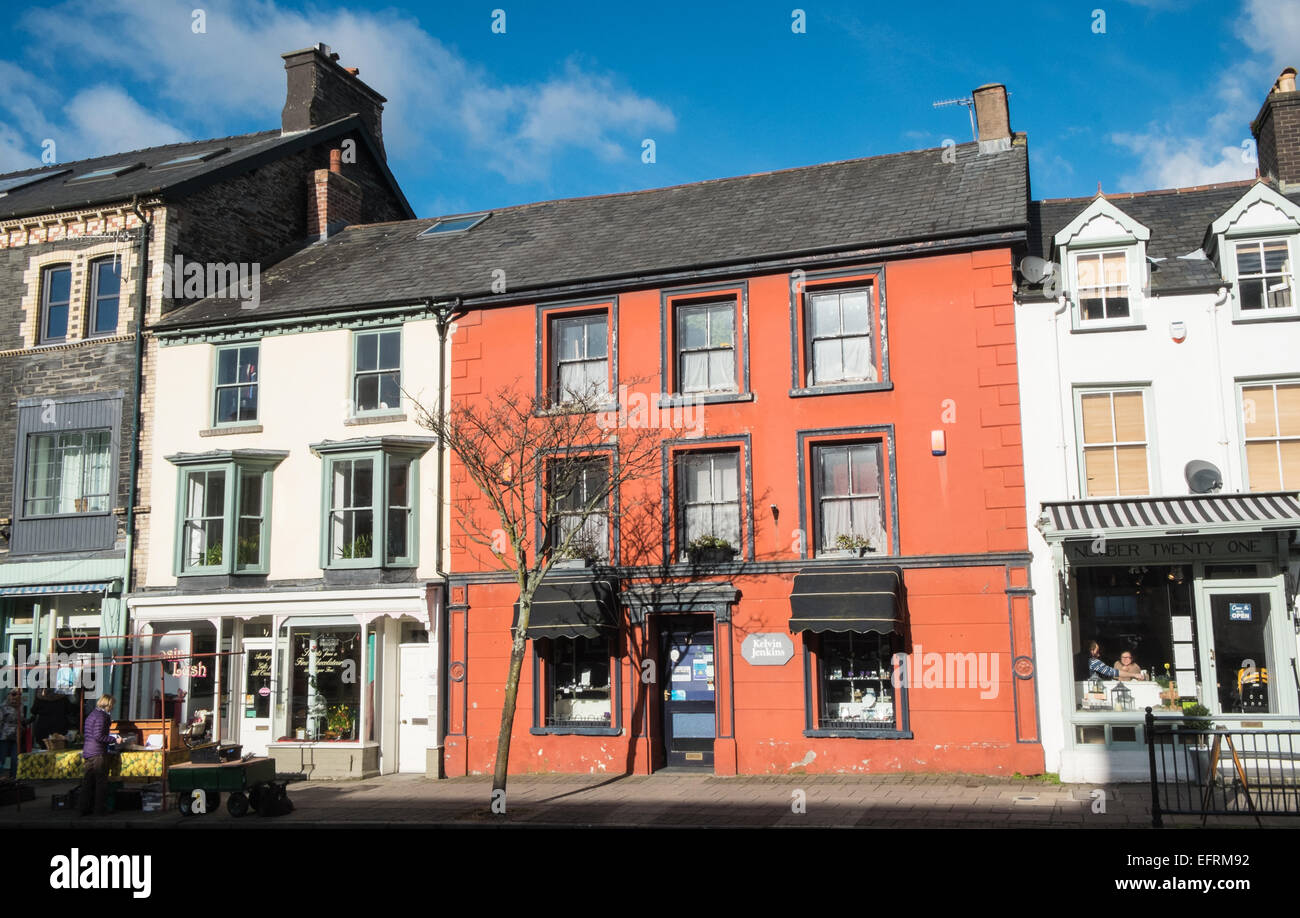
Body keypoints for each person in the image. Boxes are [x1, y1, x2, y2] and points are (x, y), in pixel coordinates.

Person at [79, 694, 114, 816]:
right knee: (100, 783)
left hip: (88, 751)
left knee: (87, 782)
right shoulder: (101, 717)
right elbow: (99, 736)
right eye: (112, 705)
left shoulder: (92, 714)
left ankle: (83, 809)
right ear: (108, 704)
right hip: (98, 753)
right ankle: (99, 810)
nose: (112, 708)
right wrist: (114, 739)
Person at [0, 690, 21, 779]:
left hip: (16, 736)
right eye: (13, 694)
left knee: (15, 758)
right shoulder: (3, 707)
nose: (16, 696)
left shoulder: (20, 706)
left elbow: (20, 720)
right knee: (2, 758)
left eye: (19, 694)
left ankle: (13, 778)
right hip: (5, 736)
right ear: (8, 695)